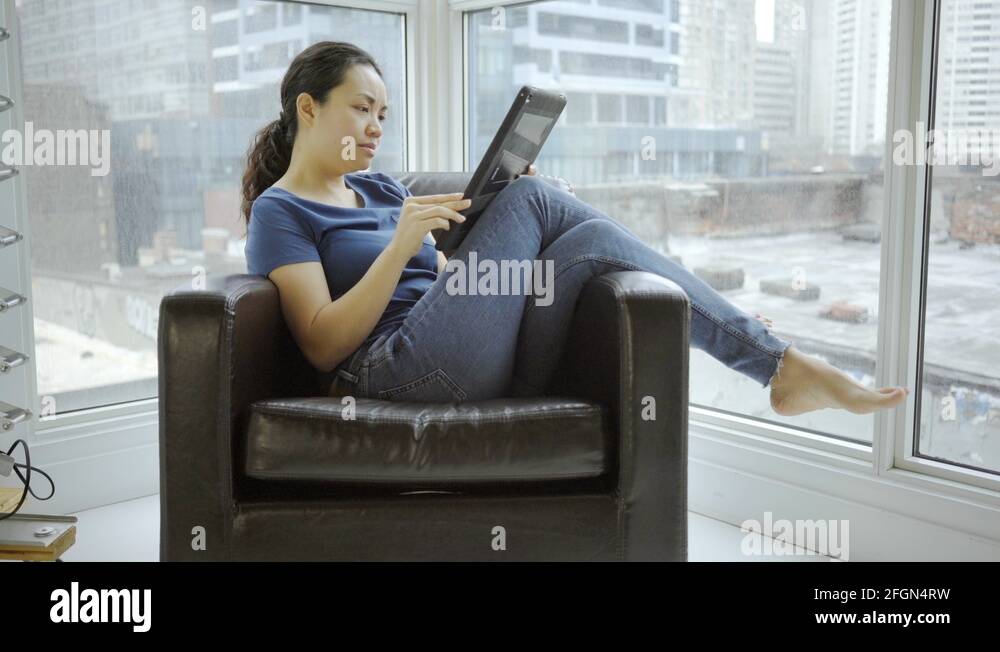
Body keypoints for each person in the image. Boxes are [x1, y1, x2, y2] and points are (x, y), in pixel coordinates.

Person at [242, 41, 909, 416]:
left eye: (384, 113)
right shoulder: (282, 212)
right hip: (391, 373)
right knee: (535, 202)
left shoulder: (380, 187)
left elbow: (444, 279)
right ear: (309, 107)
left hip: (458, 348)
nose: (377, 126)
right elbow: (324, 345)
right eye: (362, 109)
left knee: (580, 236)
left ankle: (777, 366)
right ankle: (777, 361)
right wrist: (398, 246)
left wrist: (484, 214)